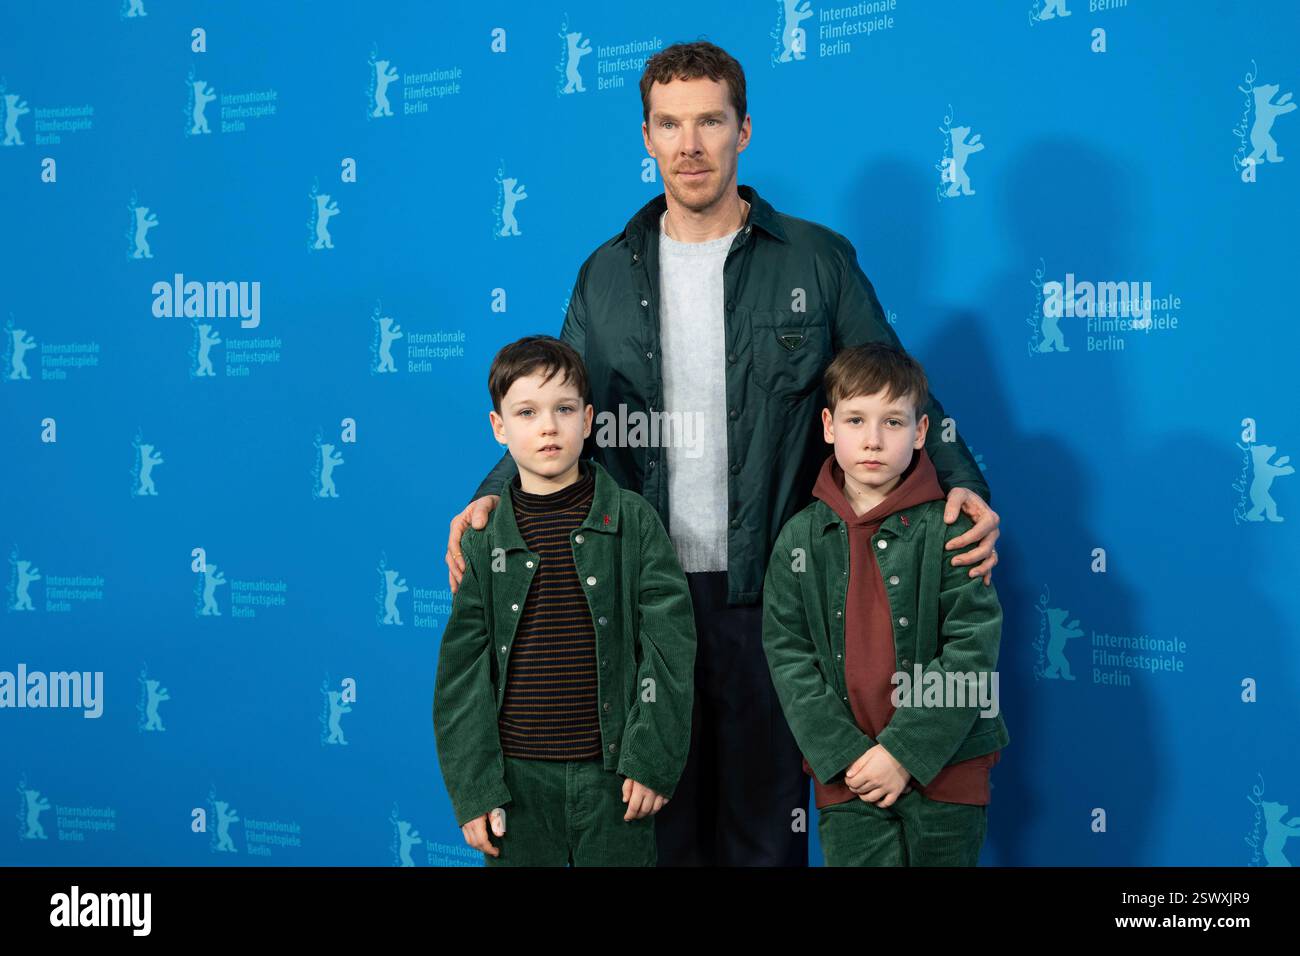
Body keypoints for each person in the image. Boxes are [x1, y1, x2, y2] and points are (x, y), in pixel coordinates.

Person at [446, 41, 1002, 866]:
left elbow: (896, 386)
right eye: (670, 124)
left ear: (745, 129)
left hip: (774, 593)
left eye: (710, 120)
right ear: (645, 136)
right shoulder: (604, 275)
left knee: (762, 830)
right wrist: (490, 496)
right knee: (650, 822)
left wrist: (962, 484)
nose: (690, 144)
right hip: (640, 594)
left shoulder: (817, 259)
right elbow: (558, 403)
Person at [433, 335, 697, 866]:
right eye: (527, 412)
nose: (548, 426)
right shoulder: (483, 538)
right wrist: (476, 792)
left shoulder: (634, 521)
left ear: (589, 419)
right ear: (499, 427)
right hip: (517, 787)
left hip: (615, 780)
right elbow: (462, 675)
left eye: (564, 409)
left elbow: (669, 650)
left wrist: (652, 760)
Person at [762, 342, 1009, 866]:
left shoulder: (953, 531)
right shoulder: (798, 541)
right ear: (829, 426)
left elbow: (971, 650)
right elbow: (790, 659)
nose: (873, 440)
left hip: (947, 772)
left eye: (893, 423)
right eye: (856, 419)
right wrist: (849, 756)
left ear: (920, 434)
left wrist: (904, 752)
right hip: (850, 779)